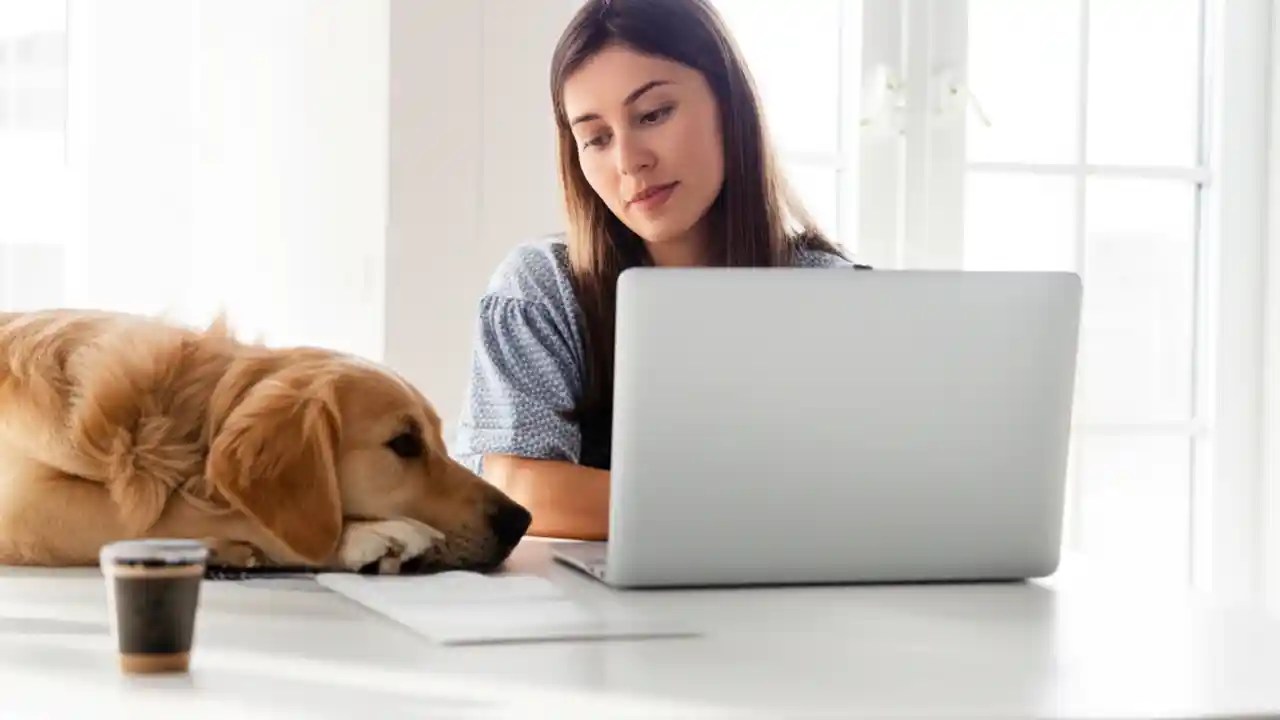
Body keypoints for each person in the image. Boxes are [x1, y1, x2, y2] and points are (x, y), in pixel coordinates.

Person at [451, 0, 867, 540]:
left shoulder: (837, 294)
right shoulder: (542, 289)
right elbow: (519, 488)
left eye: (653, 115)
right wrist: (765, 512)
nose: (628, 160)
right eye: (596, 138)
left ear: (729, 105)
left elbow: (880, 486)